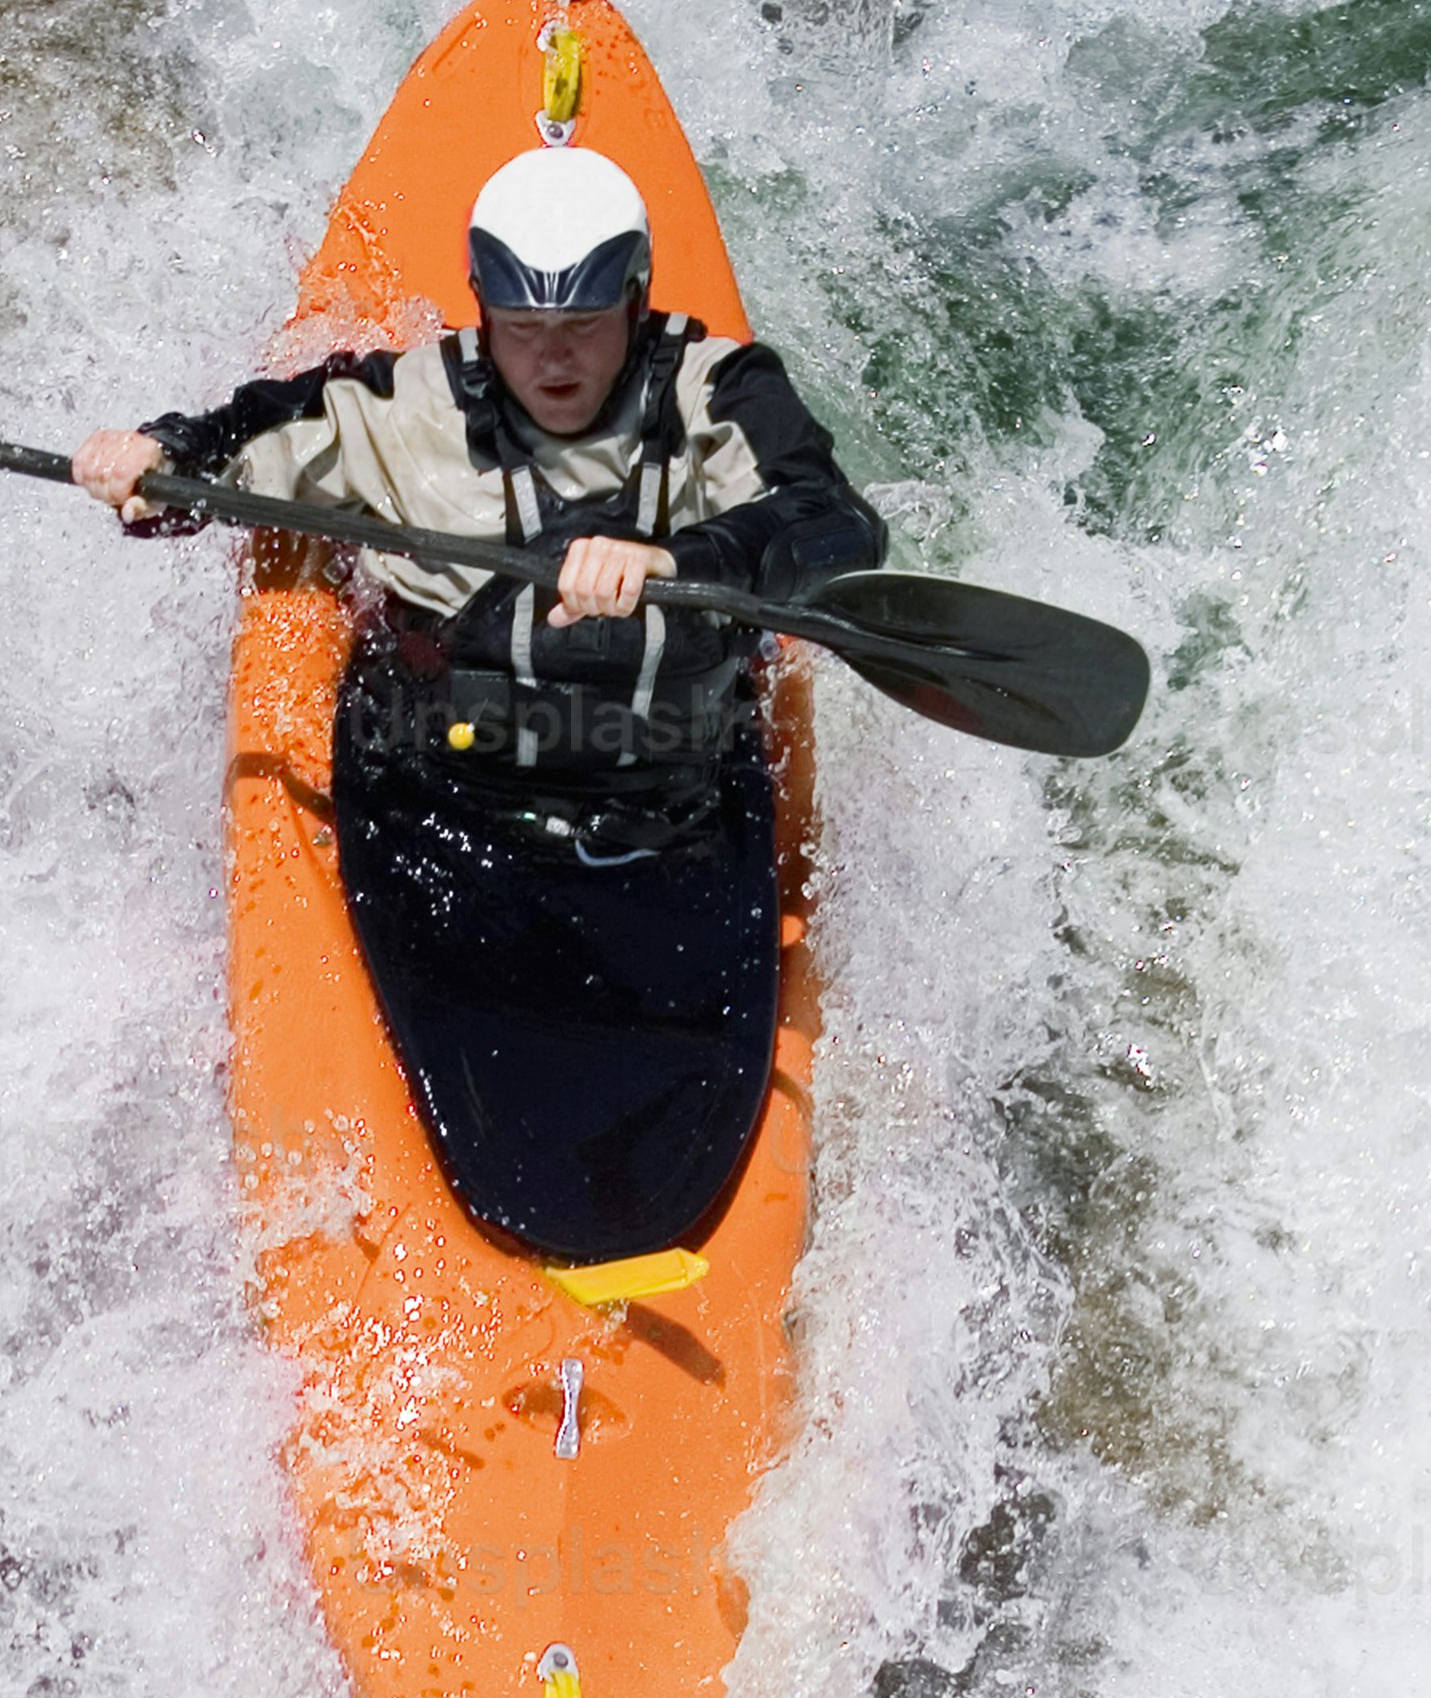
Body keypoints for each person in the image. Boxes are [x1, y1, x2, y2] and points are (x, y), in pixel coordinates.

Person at [70, 149, 885, 1253]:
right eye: (521, 325)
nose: (552, 357)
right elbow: (253, 437)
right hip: (450, 829)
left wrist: (682, 554)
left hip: (672, 829)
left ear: (636, 302)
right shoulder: (416, 408)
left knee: (640, 1178)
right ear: (483, 310)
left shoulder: (718, 393)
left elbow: (832, 522)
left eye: (586, 324)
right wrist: (155, 463)